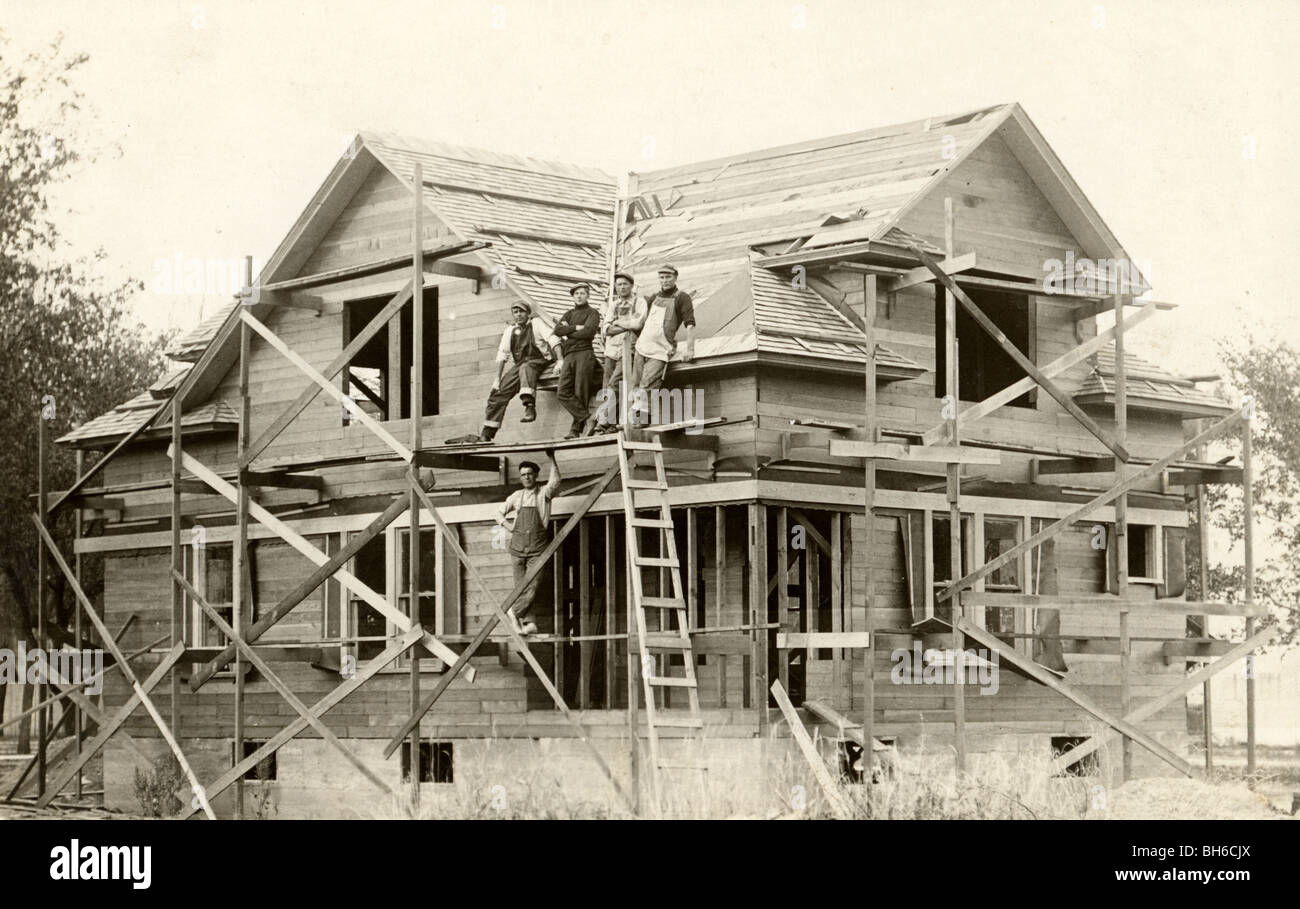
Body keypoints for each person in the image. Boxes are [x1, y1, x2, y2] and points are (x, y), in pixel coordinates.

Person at [467, 300, 560, 443]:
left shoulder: (536, 323)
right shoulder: (510, 330)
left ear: (528, 313)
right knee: (498, 394)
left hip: (540, 360)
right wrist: (497, 380)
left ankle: (529, 407)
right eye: (515, 312)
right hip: (521, 365)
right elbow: (502, 354)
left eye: (521, 311)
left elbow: (553, 340)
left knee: (526, 367)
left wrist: (560, 360)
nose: (518, 315)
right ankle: (487, 434)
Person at [496, 454, 561, 635]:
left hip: (537, 548)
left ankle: (513, 611)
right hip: (517, 548)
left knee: (533, 584)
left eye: (530, 474)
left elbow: (556, 482)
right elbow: (499, 513)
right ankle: (529, 623)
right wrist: (508, 526)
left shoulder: (544, 494)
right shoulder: (517, 496)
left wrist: (552, 459)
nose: (526, 477)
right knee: (521, 587)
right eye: (523, 474)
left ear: (536, 475)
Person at [631, 263, 695, 421]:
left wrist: (690, 349)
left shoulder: (682, 297)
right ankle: (635, 419)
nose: (665, 280)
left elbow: (690, 324)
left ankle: (643, 420)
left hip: (661, 349)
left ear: (675, 277)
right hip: (642, 347)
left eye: (668, 277)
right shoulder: (653, 298)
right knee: (636, 384)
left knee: (648, 383)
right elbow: (641, 323)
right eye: (662, 277)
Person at [593, 270, 646, 434]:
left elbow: (638, 324)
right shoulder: (613, 305)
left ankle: (605, 420)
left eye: (625, 284)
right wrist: (624, 324)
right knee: (607, 385)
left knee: (615, 383)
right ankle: (610, 424)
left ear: (631, 286)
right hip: (611, 350)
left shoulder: (639, 301)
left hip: (629, 348)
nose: (621, 287)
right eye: (619, 285)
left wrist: (618, 322)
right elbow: (606, 329)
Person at [552, 281, 603, 439]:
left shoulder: (592, 313)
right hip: (569, 355)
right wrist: (575, 328)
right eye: (576, 294)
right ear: (573, 297)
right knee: (562, 392)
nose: (579, 296)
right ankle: (587, 418)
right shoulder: (568, 314)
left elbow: (588, 333)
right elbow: (557, 330)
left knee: (581, 391)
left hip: (584, 353)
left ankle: (575, 431)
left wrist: (569, 333)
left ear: (588, 295)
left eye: (582, 293)